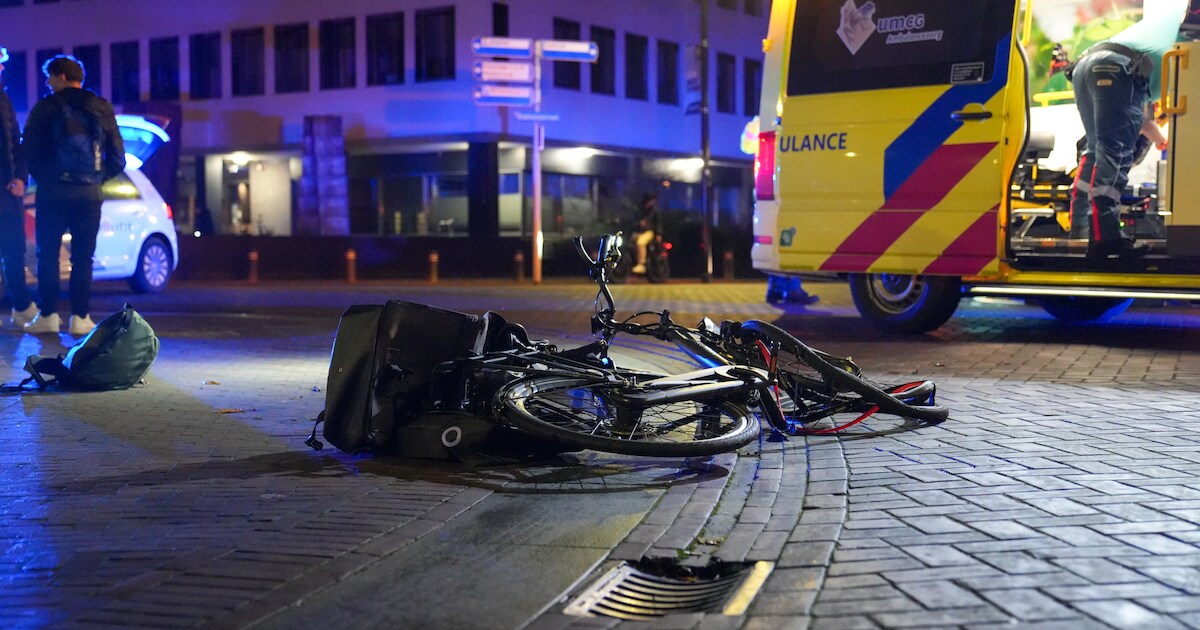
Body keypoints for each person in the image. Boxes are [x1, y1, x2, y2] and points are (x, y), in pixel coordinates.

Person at [1068, 0, 1188, 260]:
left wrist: (1161, 140)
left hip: (1088, 65)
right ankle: (1106, 238)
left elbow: (1143, 121)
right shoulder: (1190, 23)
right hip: (1119, 69)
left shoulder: (1179, 21)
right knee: (1116, 152)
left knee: (1096, 150)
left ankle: (1080, 230)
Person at [22, 54, 124, 335]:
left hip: (54, 190)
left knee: (48, 255)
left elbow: (28, 149)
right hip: (88, 193)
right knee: (83, 257)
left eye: (50, 77)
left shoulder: (46, 106)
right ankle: (80, 318)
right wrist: (96, 180)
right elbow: (118, 157)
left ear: (62, 77)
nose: (48, 82)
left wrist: (45, 178)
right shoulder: (101, 107)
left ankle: (49, 316)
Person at [0, 46, 37, 329]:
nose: (2, 69)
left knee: (13, 249)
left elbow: (15, 142)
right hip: (6, 190)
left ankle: (22, 306)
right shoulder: (3, 100)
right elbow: (12, 142)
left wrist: (20, 178)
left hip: (7, 190)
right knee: (12, 249)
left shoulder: (4, 99)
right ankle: (22, 306)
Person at [631, 194, 659, 275]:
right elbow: (634, 221)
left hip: (649, 232)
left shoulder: (655, 211)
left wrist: (658, 234)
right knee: (629, 243)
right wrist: (638, 224)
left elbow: (658, 223)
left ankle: (641, 264)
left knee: (640, 243)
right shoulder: (640, 210)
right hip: (639, 232)